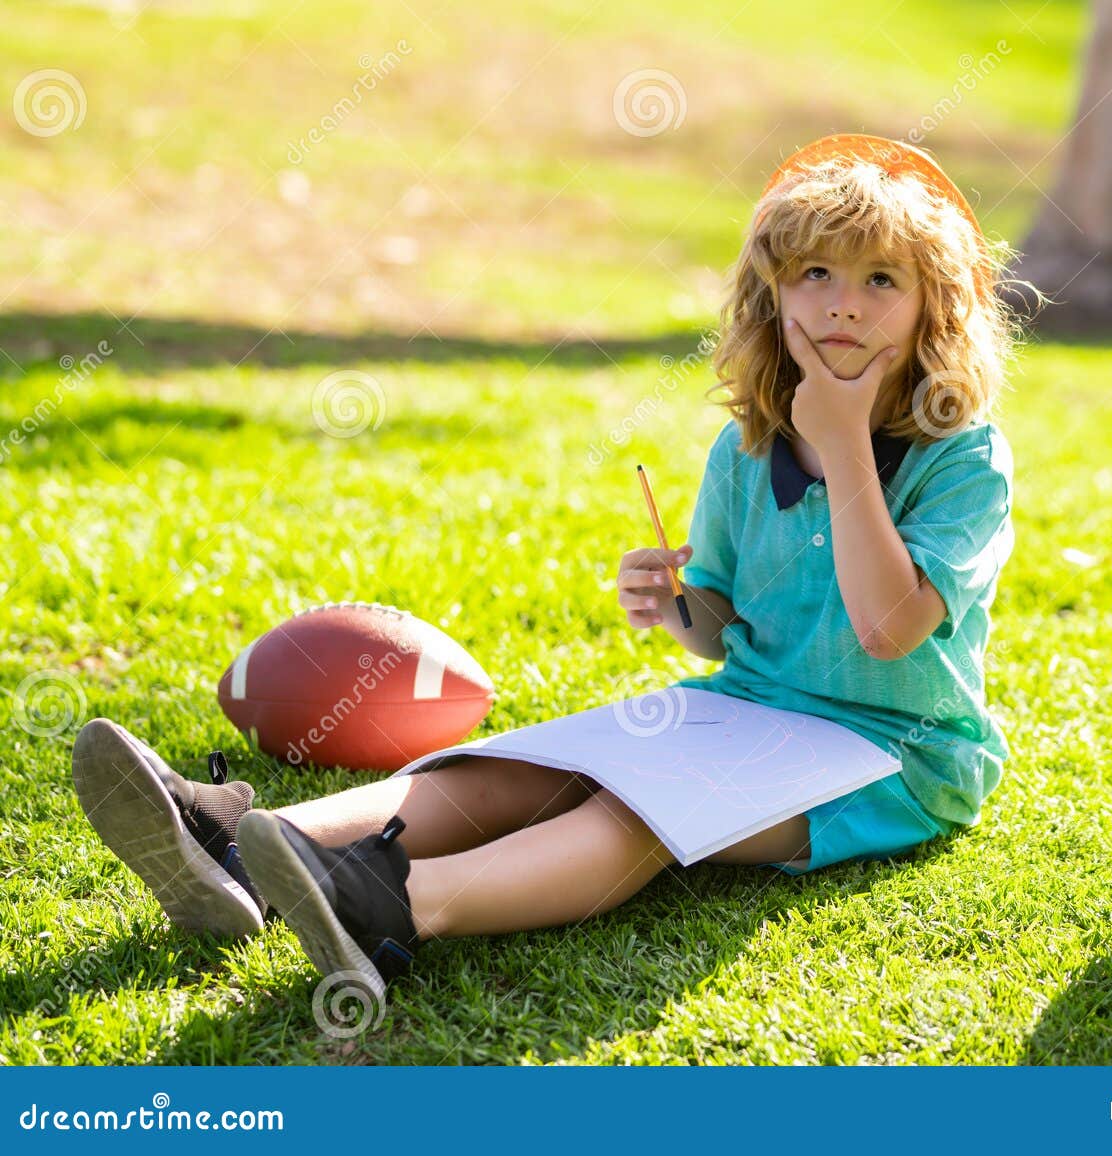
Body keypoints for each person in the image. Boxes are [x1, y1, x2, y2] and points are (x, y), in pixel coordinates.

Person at [70, 134, 1027, 1006]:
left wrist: (848, 444)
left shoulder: (960, 457)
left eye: (881, 280)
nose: (843, 304)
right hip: (749, 708)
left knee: (642, 811)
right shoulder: (748, 451)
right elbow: (722, 627)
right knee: (518, 769)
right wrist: (680, 605)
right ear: (770, 297)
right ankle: (237, 847)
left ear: (935, 306)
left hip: (900, 754)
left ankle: (399, 902)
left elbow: (887, 628)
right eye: (814, 272)